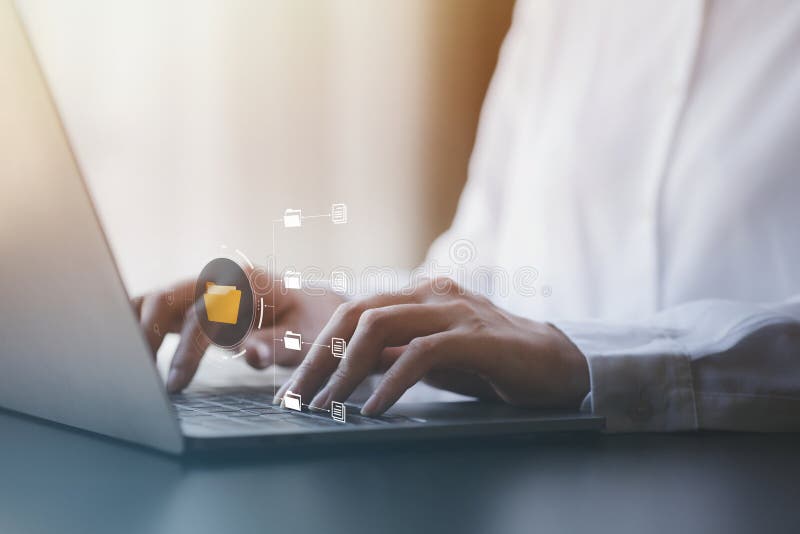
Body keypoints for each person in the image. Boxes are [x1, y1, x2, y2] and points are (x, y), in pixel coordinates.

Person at [135, 0, 800, 432]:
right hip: (535, 481)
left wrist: (581, 357)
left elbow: (544, 340)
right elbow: (483, 262)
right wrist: (344, 316)